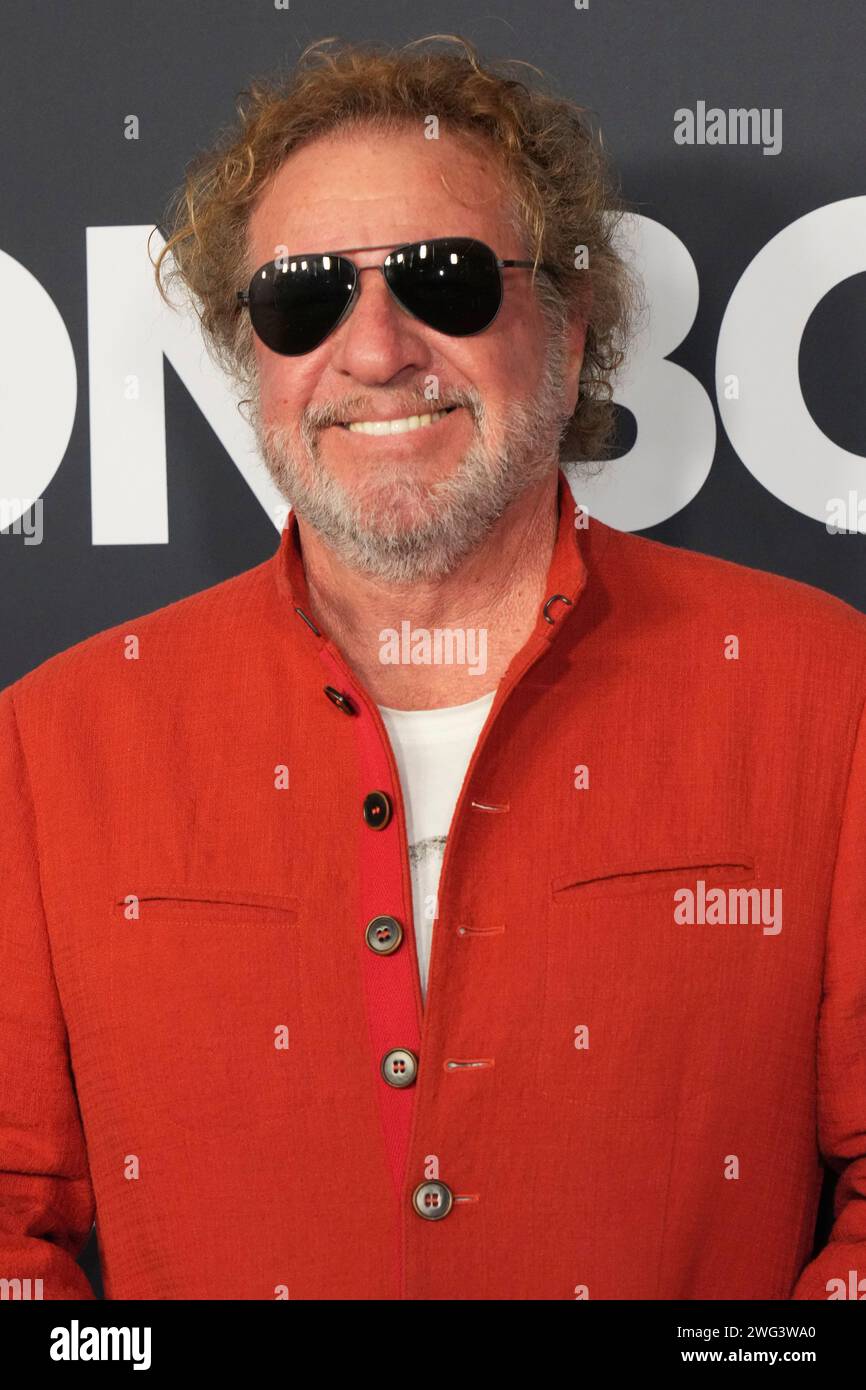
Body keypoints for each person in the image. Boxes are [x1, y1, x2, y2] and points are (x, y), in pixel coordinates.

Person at [1, 34, 864, 1302]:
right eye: (303, 298)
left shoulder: (822, 694)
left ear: (567, 340)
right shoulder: (53, 741)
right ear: (256, 373)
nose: (373, 351)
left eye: (444, 280)